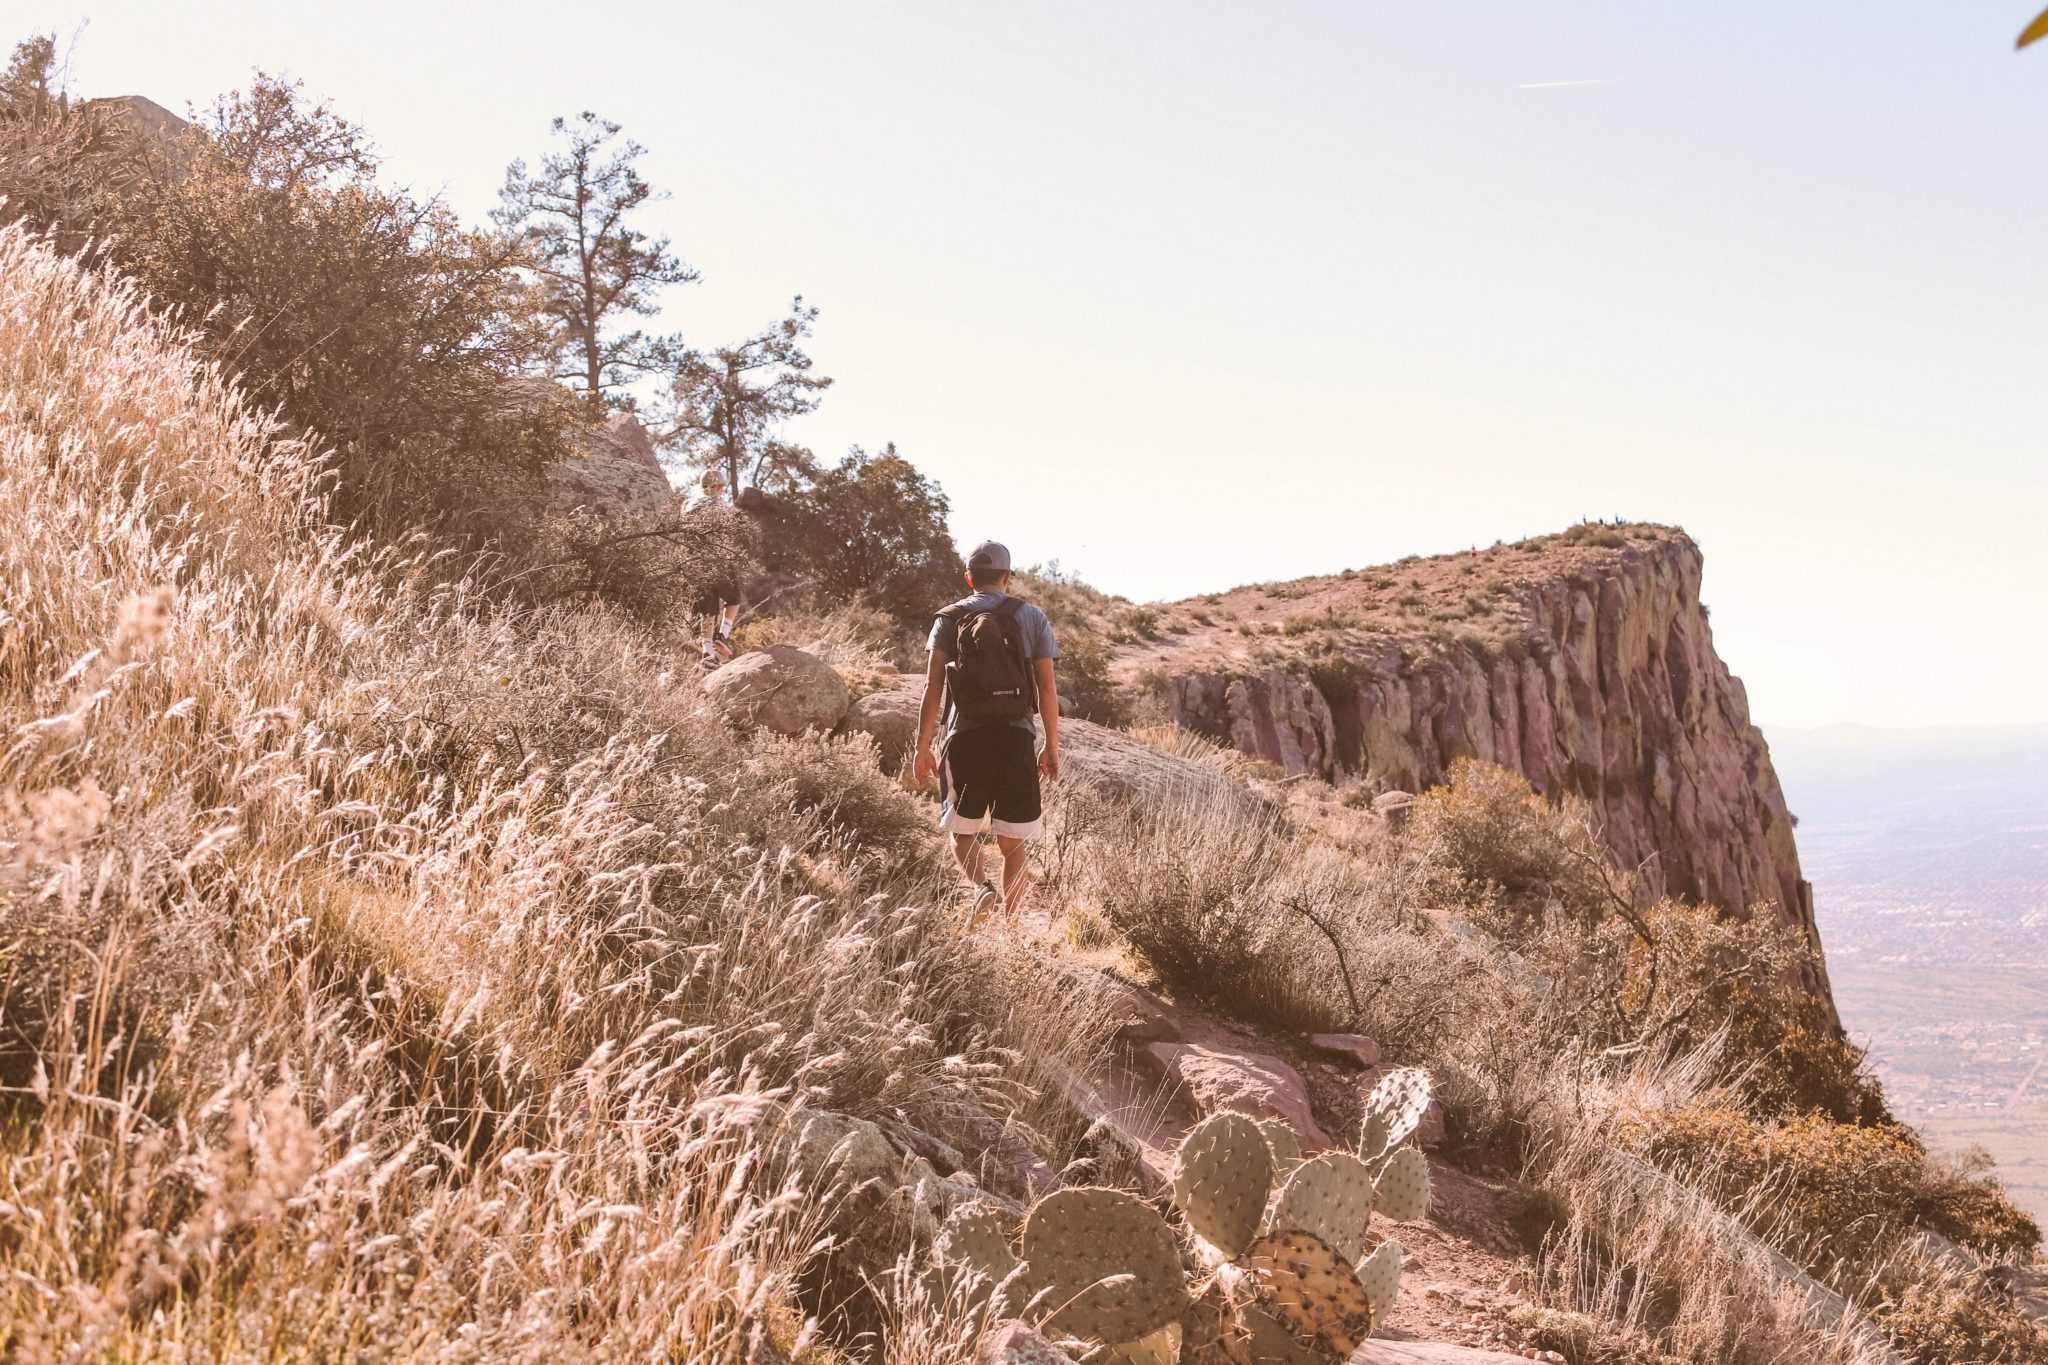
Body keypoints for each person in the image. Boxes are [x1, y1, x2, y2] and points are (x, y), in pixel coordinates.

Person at [913, 541, 1061, 924]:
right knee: (1012, 845)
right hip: (1016, 738)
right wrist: (1050, 746)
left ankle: (981, 888)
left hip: (966, 737)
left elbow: (934, 687)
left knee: (962, 832)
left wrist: (922, 746)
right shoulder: (1033, 618)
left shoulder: (948, 618)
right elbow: (1047, 688)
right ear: (1007, 577)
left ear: (968, 577)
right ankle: (1009, 932)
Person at [684, 468, 744, 668]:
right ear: (718, 487)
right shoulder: (719, 504)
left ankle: (707, 652)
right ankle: (723, 635)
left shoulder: (689, 505)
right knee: (734, 598)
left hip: (695, 563)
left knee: (707, 611)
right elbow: (729, 531)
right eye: (721, 488)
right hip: (718, 560)